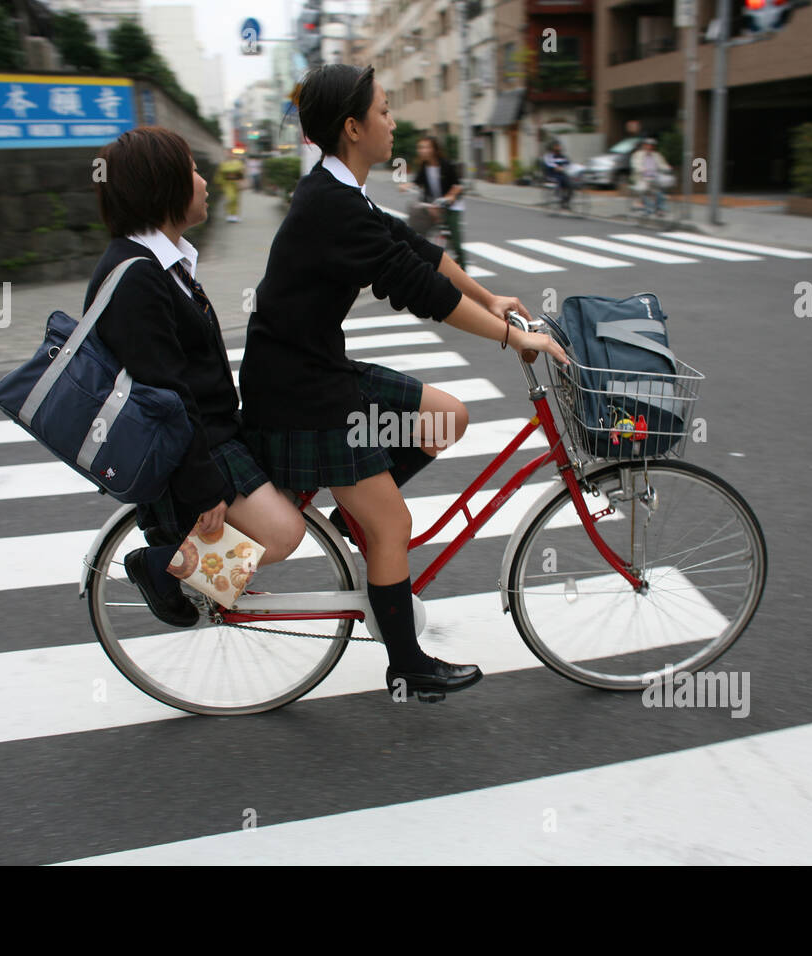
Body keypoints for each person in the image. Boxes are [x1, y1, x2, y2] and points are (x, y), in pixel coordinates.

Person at [239, 64, 568, 700]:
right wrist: (515, 337)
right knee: (393, 525)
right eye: (385, 111)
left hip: (312, 367)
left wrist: (489, 296)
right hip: (302, 390)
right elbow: (417, 289)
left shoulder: (342, 193)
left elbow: (414, 248)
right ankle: (408, 664)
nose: (394, 121)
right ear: (354, 127)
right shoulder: (330, 205)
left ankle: (353, 510)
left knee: (447, 415)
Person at [86, 126, 306, 629]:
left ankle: (213, 581)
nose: (204, 181)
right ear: (161, 186)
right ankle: (166, 569)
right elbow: (163, 394)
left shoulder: (163, 263)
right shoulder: (138, 276)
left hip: (212, 431)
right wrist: (203, 489)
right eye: (191, 170)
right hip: (193, 446)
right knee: (282, 534)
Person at [402, 135, 466, 269]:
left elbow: (457, 186)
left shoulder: (446, 165)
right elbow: (417, 182)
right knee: (418, 231)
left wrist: (449, 197)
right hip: (433, 205)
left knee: (455, 240)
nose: (422, 150)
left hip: (451, 206)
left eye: (426, 147)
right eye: (420, 147)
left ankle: (463, 269)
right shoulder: (424, 166)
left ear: (434, 149)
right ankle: (421, 264)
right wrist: (407, 186)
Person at [630, 137, 673, 216]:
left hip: (654, 177)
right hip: (642, 177)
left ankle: (659, 208)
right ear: (644, 146)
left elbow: (662, 164)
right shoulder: (638, 155)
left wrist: (667, 167)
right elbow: (635, 165)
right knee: (645, 191)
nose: (649, 147)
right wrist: (642, 169)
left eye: (651, 146)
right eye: (647, 145)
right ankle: (647, 208)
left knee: (660, 192)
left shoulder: (656, 155)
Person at [216, 148, 247, 222]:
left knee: (236, 199)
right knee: (230, 198)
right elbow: (220, 173)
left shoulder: (238, 162)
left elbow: (241, 172)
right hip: (227, 183)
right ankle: (229, 214)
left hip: (236, 183)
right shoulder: (223, 163)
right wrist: (219, 183)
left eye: (230, 153)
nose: (229, 155)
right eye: (227, 153)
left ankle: (234, 214)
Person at [542, 140, 573, 208]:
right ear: (553, 147)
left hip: (561, 174)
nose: (558, 147)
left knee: (570, 185)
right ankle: (559, 195)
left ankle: (565, 201)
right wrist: (556, 167)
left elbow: (568, 163)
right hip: (552, 174)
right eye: (556, 146)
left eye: (559, 146)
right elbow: (548, 163)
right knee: (559, 182)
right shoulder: (548, 156)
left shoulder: (562, 156)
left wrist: (564, 167)